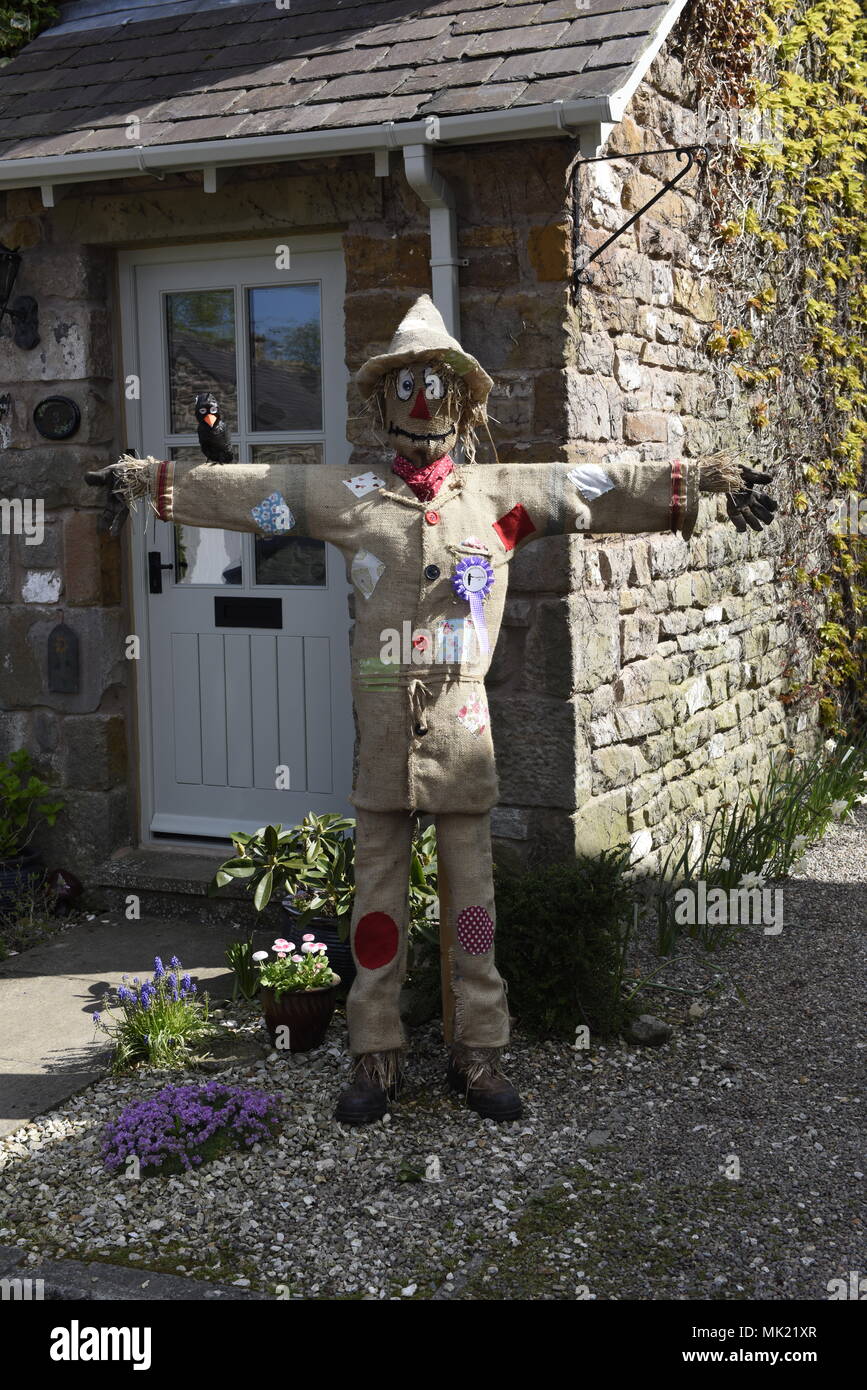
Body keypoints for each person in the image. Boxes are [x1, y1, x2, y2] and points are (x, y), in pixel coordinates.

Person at [88, 294, 777, 1125]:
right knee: (374, 900)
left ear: (461, 402)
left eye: (437, 386)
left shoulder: (495, 498)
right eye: (405, 385)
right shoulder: (350, 495)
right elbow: (260, 490)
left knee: (472, 903)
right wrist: (155, 480)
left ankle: (477, 1052)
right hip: (382, 734)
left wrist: (695, 483)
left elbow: (590, 491)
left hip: (461, 734)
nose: (421, 402)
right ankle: (375, 1055)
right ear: (381, 401)